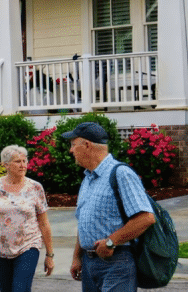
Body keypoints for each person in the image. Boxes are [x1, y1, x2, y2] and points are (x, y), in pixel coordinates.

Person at [64, 122, 155, 292]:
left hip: (116, 262)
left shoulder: (121, 173)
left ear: (87, 145)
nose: (71, 150)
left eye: (73, 145)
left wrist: (111, 242)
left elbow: (146, 218)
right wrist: (77, 257)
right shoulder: (88, 179)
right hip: (89, 263)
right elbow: (85, 221)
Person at [0, 145, 55, 292]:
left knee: (20, 289)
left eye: (24, 161)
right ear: (6, 165)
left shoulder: (35, 187)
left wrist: (49, 254)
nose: (23, 165)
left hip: (28, 246)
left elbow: (44, 222)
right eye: (18, 161)